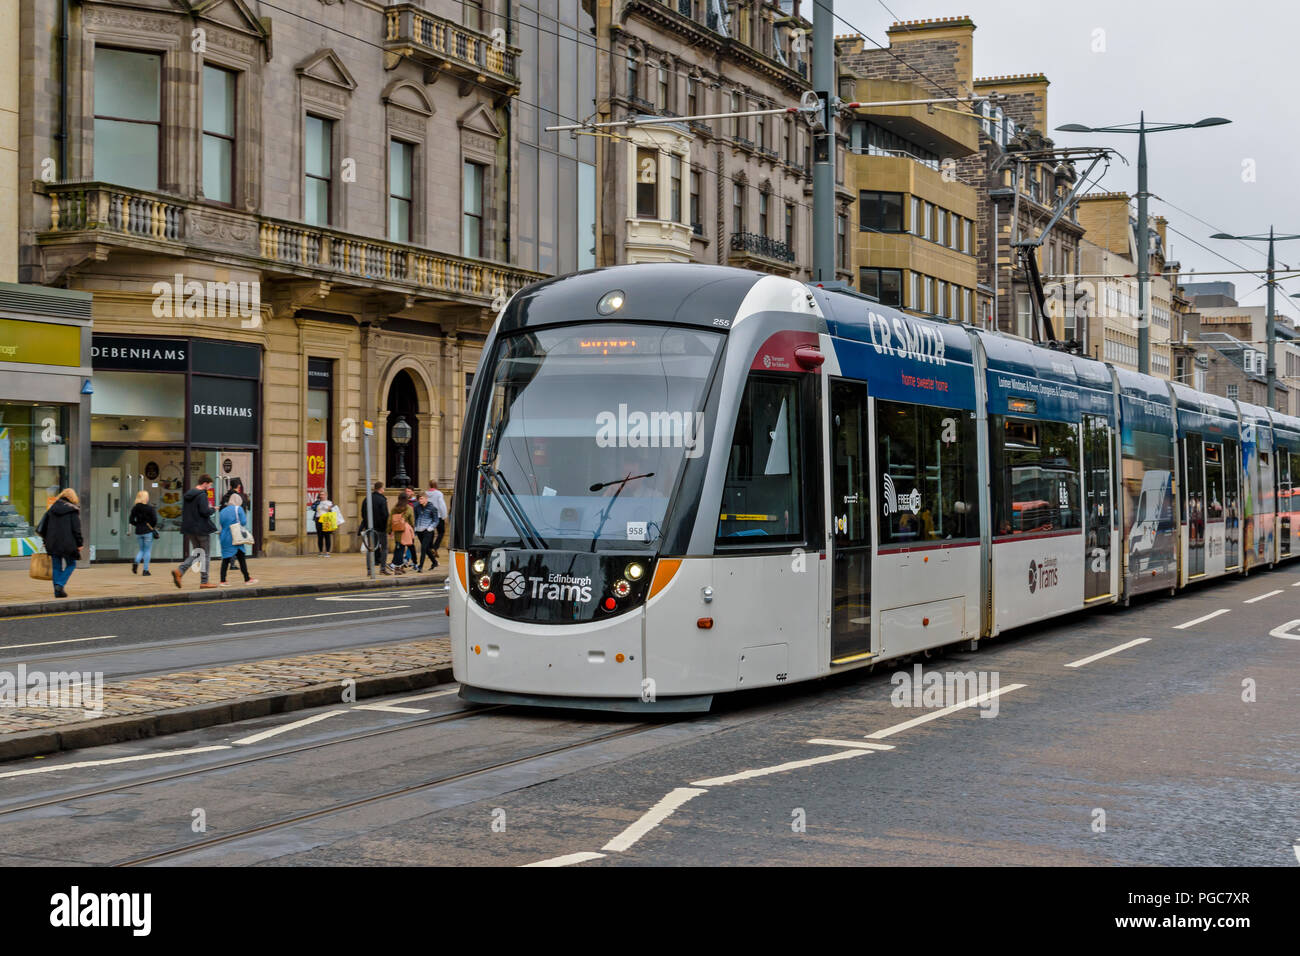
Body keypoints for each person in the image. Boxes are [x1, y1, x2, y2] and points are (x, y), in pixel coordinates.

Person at [173, 475, 217, 589]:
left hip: (190, 529)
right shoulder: (202, 495)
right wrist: (213, 509)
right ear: (205, 483)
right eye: (210, 485)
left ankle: (180, 571)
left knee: (197, 553)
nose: (210, 487)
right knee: (205, 554)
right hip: (201, 528)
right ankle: (204, 581)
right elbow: (204, 511)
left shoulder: (189, 494)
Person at [37, 488, 83, 599]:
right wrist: (80, 543)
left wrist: (45, 541)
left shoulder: (52, 509)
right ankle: (60, 585)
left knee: (56, 566)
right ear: (73, 498)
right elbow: (76, 529)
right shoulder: (73, 510)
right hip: (68, 543)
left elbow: (43, 527)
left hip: (52, 542)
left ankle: (58, 592)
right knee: (71, 564)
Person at [218, 492, 259, 587]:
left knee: (226, 559)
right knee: (241, 558)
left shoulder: (223, 511)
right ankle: (247, 579)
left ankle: (223, 580)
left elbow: (221, 522)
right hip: (235, 536)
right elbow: (243, 522)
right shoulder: (238, 509)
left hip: (225, 536)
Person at [128, 489, 159, 576]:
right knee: (147, 551)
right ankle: (145, 570)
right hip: (148, 532)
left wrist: (137, 525)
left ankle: (136, 562)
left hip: (139, 532)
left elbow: (131, 520)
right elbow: (155, 520)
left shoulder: (135, 508)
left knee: (141, 550)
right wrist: (151, 527)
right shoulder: (150, 508)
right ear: (145, 498)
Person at [364, 481, 391, 575]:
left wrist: (367, 524)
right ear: (380, 489)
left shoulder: (367, 498)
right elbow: (385, 515)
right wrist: (388, 528)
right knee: (384, 548)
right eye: (383, 488)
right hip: (381, 528)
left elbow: (363, 513)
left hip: (370, 528)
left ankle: (369, 570)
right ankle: (382, 569)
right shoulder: (382, 499)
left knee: (370, 548)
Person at [388, 496, 416, 573]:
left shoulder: (394, 508)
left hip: (397, 532)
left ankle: (397, 567)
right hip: (405, 532)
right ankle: (398, 568)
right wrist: (412, 529)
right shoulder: (409, 508)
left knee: (398, 548)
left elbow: (390, 521)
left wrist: (389, 531)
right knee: (401, 549)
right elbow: (412, 521)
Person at [413, 491, 438, 572]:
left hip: (428, 531)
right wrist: (415, 528)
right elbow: (415, 518)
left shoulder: (432, 508)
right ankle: (434, 562)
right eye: (418, 499)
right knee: (426, 549)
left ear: (426, 499)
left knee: (423, 548)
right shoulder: (417, 507)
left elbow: (436, 520)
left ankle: (420, 567)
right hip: (419, 530)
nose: (419, 500)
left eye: (421, 499)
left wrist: (430, 528)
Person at [311, 491, 342, 555]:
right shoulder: (317, 502)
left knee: (327, 535)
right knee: (320, 536)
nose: (322, 496)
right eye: (320, 495)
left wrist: (329, 508)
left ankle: (327, 551)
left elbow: (333, 510)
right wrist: (317, 503)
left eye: (323, 494)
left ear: (326, 495)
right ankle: (320, 551)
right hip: (318, 519)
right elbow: (313, 507)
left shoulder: (329, 502)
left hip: (326, 519)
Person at [426, 479, 448, 557]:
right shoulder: (439, 494)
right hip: (438, 516)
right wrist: (444, 516)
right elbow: (442, 505)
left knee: (431, 533)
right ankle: (435, 547)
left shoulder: (426, 494)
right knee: (441, 532)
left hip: (428, 516)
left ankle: (431, 548)